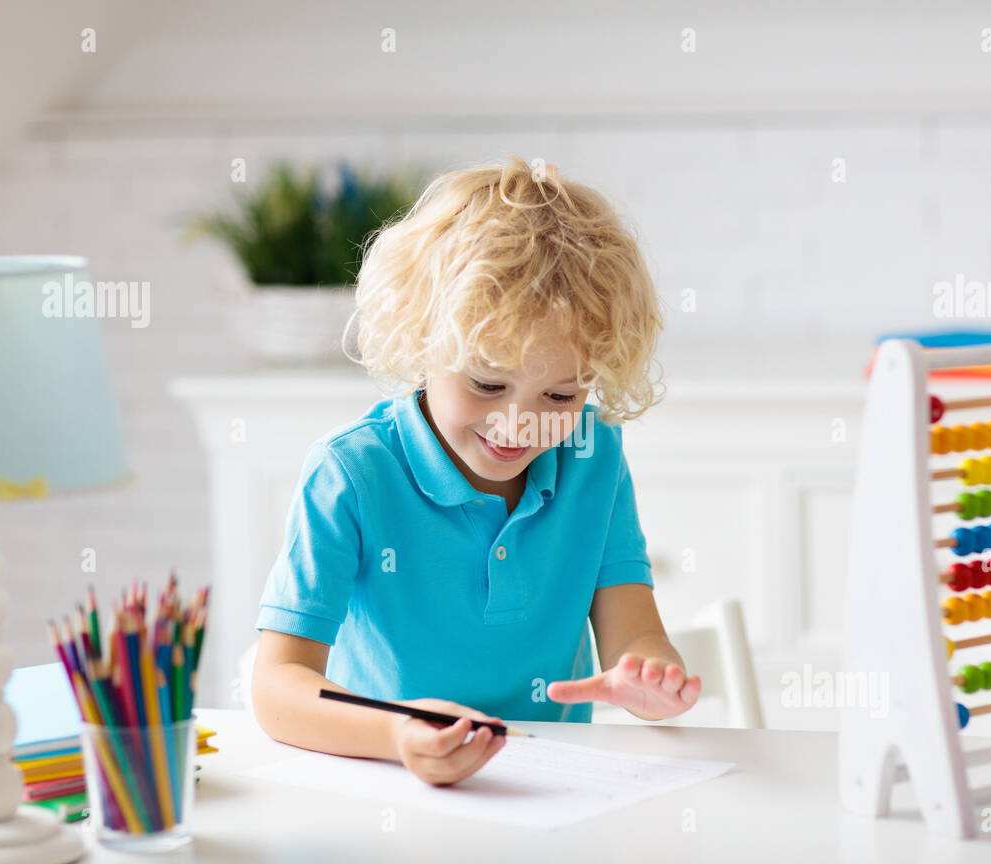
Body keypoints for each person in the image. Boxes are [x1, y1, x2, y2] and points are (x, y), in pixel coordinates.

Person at [251, 156, 701, 785]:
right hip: (387, 787)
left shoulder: (593, 459)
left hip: (553, 791)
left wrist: (650, 676)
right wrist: (398, 730)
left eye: (560, 396)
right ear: (421, 341)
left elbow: (635, 637)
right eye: (488, 383)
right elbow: (277, 687)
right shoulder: (351, 473)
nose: (518, 425)